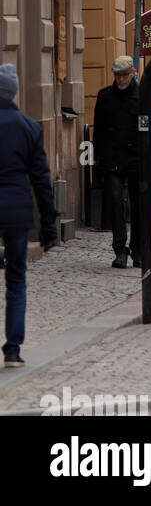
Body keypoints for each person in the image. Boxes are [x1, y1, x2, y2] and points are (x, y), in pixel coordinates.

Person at [0, 64, 58, 369]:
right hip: (17, 211)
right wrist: (49, 222)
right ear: (14, 92)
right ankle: (12, 349)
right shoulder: (29, 128)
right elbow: (41, 179)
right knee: (16, 280)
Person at [93, 56, 141, 269]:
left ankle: (138, 250)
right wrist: (98, 158)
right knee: (115, 201)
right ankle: (120, 249)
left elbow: (149, 128)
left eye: (124, 75)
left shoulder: (142, 95)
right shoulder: (105, 96)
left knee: (138, 205)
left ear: (133, 73)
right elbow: (98, 129)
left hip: (136, 157)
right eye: (117, 75)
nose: (121, 79)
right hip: (113, 157)